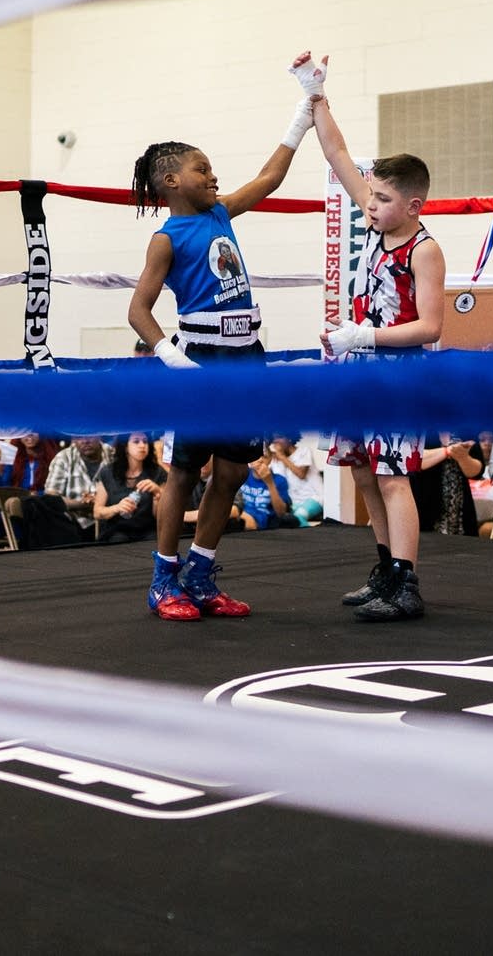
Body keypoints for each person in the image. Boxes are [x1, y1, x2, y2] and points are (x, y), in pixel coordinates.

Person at [127, 54, 317, 621]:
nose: (214, 176)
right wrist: (172, 358)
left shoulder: (222, 214)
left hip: (246, 354)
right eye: (202, 169)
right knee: (183, 471)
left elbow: (271, 177)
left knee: (233, 471)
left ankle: (203, 575)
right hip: (201, 357)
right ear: (170, 180)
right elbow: (138, 310)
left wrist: (304, 109)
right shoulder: (166, 238)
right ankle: (164, 580)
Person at [308, 66, 447, 621]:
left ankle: (407, 583)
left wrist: (364, 333)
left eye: (383, 199)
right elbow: (337, 152)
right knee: (364, 471)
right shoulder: (374, 224)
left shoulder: (425, 250)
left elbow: (431, 327)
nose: (370, 205)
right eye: (371, 196)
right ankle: (386, 569)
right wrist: (313, 94)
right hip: (359, 370)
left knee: (393, 477)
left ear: (413, 205)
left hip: (398, 374)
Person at [95, 433, 164, 544]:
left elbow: (160, 517)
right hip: (116, 530)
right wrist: (117, 508)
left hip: (147, 531)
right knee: (119, 540)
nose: (142, 445)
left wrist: (157, 493)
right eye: (136, 441)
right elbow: (97, 512)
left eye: (145, 442)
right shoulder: (108, 472)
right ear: (125, 446)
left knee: (152, 542)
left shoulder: (157, 472)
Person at [268, 436, 325, 524]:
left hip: (314, 498)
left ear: (290, 437)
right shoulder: (276, 459)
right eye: (274, 438)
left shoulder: (304, 451)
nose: (276, 441)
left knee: (297, 517)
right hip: (293, 502)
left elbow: (301, 474)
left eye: (280, 437)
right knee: (279, 519)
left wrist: (282, 457)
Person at [236, 450, 291, 531]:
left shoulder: (280, 480)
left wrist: (270, 483)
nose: (260, 460)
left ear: (270, 459)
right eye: (256, 456)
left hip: (260, 520)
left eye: (264, 456)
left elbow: (281, 512)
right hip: (239, 513)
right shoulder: (242, 474)